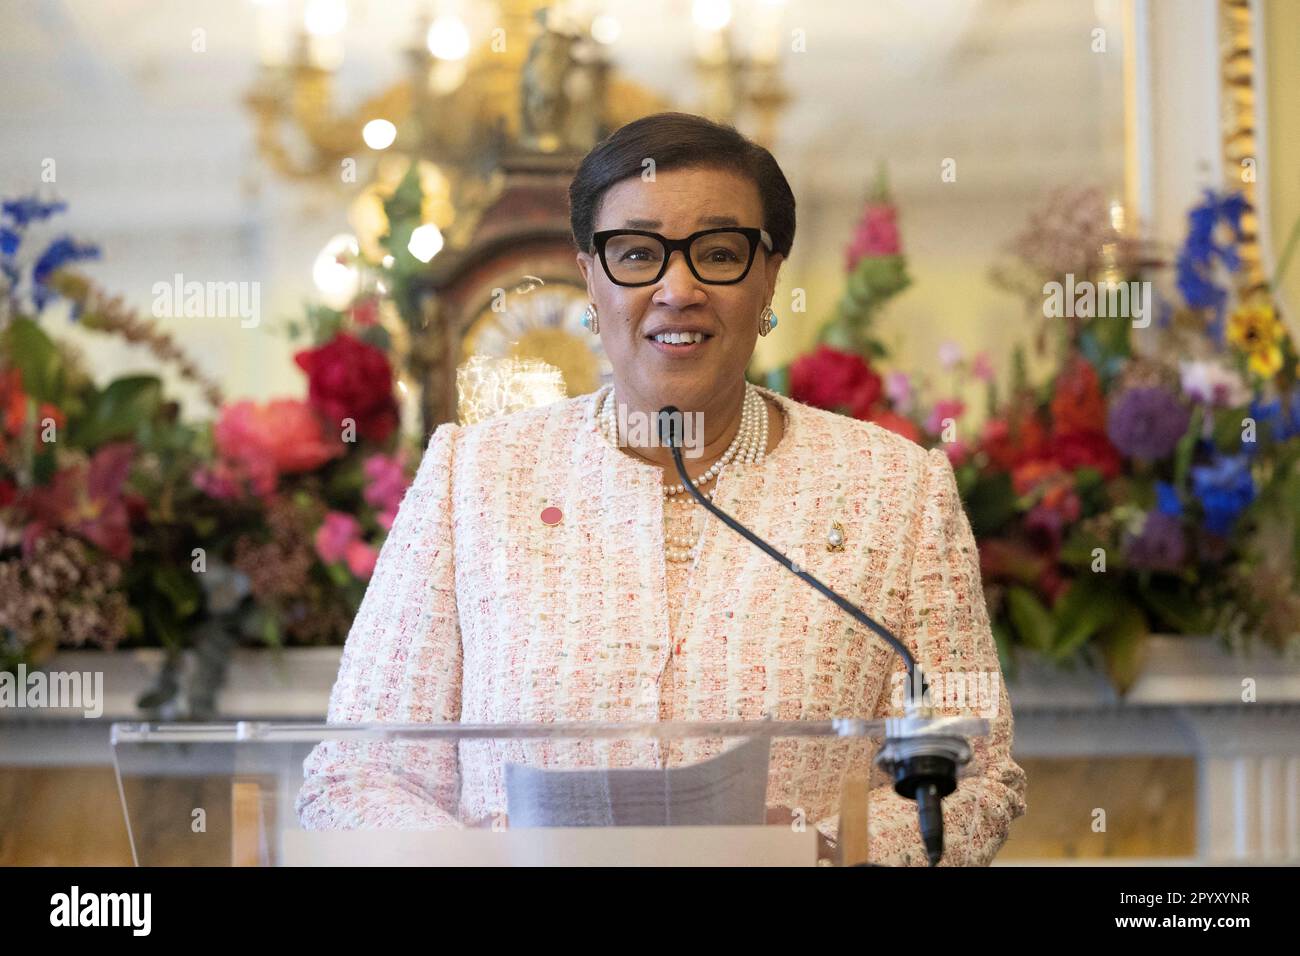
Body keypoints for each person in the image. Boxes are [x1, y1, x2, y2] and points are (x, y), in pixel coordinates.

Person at [295, 111, 1027, 865]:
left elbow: (977, 773)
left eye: (717, 253)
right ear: (589, 276)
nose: (678, 289)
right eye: (637, 253)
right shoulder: (472, 477)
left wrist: (822, 854)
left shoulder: (896, 489)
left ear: (769, 275)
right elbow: (355, 775)